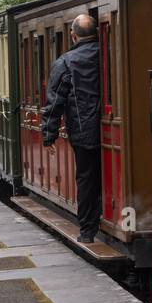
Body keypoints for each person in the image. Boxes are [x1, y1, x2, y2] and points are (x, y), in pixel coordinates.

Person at [41, 14, 102, 243]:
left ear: (73, 35)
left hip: (83, 131)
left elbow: (55, 101)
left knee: (86, 179)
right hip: (110, 127)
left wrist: (49, 135)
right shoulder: (109, 54)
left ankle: (87, 232)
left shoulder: (66, 62)